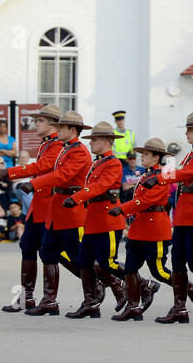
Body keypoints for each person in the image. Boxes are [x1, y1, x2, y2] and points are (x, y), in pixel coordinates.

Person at [143, 111, 193, 323]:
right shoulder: (192, 153)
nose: (186, 133)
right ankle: (179, 308)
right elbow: (183, 172)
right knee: (177, 261)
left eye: (191, 130)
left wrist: (160, 177)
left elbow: (186, 173)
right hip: (185, 215)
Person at [19, 110, 94, 316]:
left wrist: (31, 182)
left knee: (84, 257)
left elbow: (59, 174)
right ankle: (43, 299)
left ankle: (116, 287)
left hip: (69, 209)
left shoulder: (74, 149)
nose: (36, 124)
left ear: (71, 129)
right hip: (54, 207)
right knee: (46, 251)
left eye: (41, 121)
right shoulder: (61, 147)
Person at [0, 104, 64, 314]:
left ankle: (106, 286)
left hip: (50, 207)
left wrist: (9, 173)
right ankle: (28, 298)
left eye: (40, 121)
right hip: (39, 206)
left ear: (52, 124)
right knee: (27, 247)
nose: (36, 124)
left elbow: (40, 168)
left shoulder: (57, 145)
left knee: (63, 255)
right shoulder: (46, 144)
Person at [64, 121, 129, 318]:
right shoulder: (97, 162)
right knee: (83, 260)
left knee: (107, 262)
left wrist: (76, 198)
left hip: (107, 219)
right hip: (93, 218)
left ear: (106, 141)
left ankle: (142, 286)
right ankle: (90, 303)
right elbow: (90, 186)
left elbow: (100, 187)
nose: (90, 143)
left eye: (94, 139)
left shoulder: (113, 163)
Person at [108, 137, 173, 321]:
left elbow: (146, 201)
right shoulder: (145, 175)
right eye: (142, 153)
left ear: (156, 158)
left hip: (155, 229)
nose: (142, 157)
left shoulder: (162, 176)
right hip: (140, 228)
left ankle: (191, 291)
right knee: (130, 268)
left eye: (146, 154)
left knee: (158, 271)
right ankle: (133, 307)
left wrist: (123, 208)